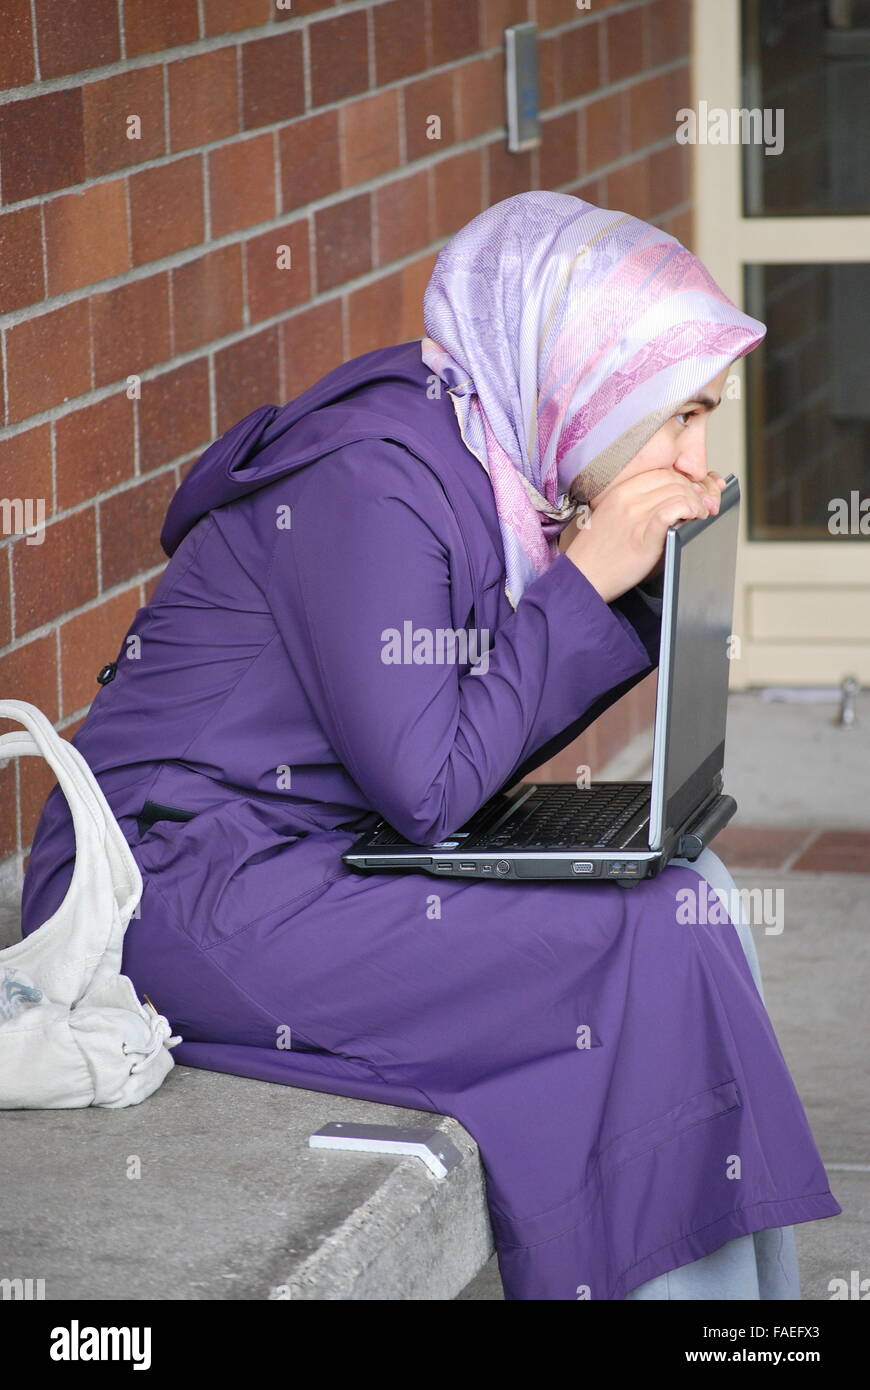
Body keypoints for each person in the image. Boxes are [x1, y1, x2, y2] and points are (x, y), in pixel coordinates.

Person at [18, 192, 841, 1300]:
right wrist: (591, 573)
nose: (695, 455)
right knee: (647, 938)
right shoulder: (377, 476)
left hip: (300, 850)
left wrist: (633, 592)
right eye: (679, 416)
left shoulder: (484, 463)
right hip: (170, 890)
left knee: (695, 887)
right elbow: (432, 786)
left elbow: (454, 749)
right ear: (590, 388)